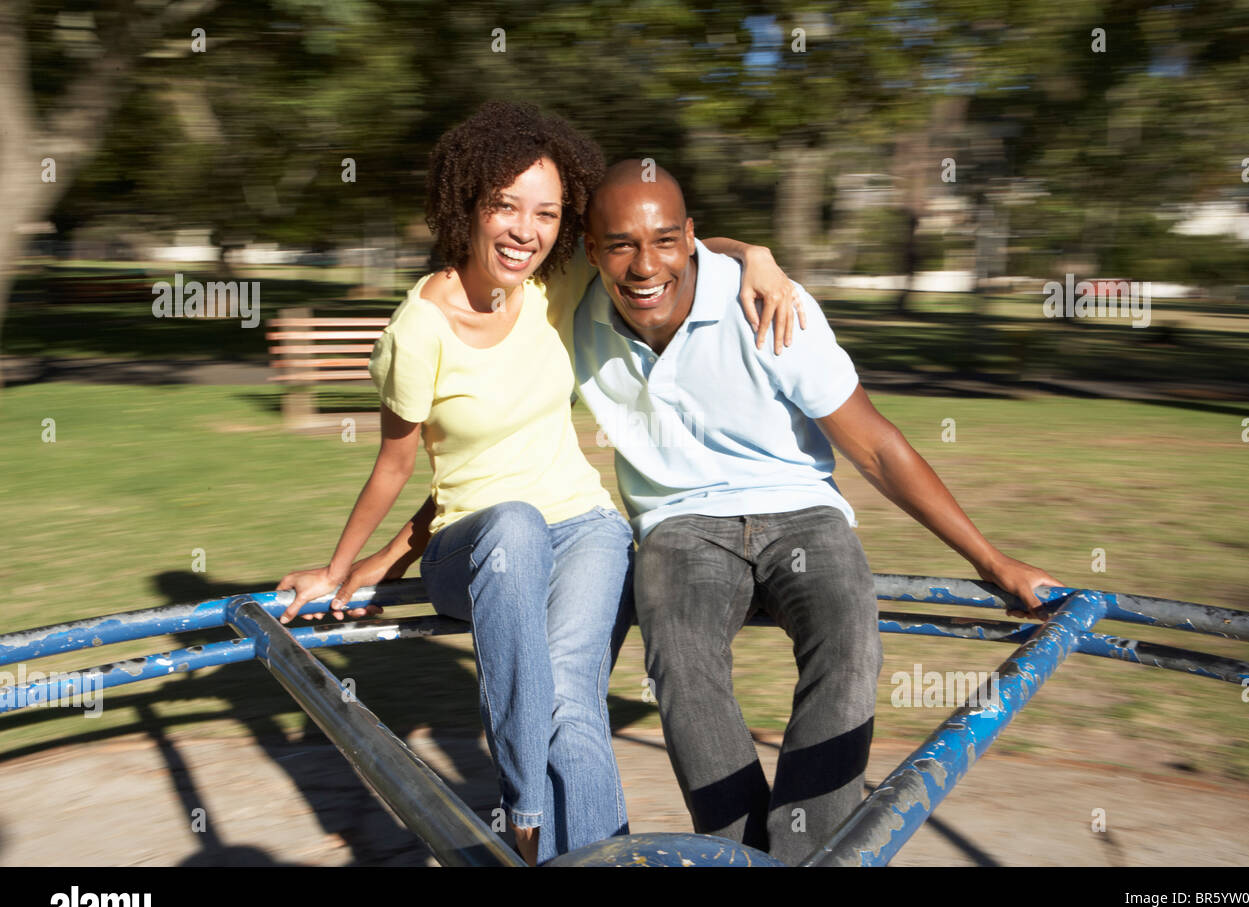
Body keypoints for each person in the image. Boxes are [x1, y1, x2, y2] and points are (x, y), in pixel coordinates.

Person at [273, 104, 800, 865]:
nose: (527, 230)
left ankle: (575, 851)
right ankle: (522, 808)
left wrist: (756, 254)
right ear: (468, 206)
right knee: (514, 524)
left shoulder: (554, 284)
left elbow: (656, 247)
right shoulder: (417, 331)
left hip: (585, 531)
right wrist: (344, 566)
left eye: (547, 213)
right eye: (506, 206)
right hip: (475, 551)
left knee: (570, 706)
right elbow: (396, 465)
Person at [569, 159, 1064, 865]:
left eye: (665, 241)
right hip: (680, 524)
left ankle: (805, 854)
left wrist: (991, 559)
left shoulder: (768, 303)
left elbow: (876, 448)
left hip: (799, 508)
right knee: (678, 657)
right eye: (620, 245)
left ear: (691, 238)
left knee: (849, 640)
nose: (646, 266)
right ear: (592, 250)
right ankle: (744, 855)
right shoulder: (573, 309)